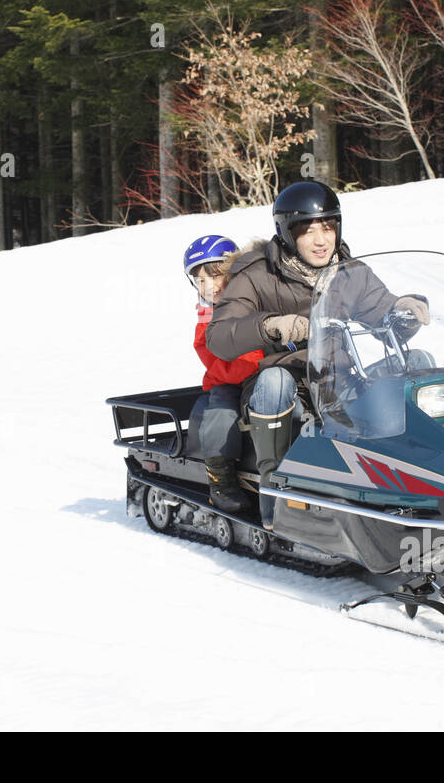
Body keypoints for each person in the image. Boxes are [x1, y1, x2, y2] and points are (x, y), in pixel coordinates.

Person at [205, 181, 429, 529]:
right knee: (275, 379)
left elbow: (382, 313)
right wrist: (269, 326)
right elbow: (218, 336)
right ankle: (275, 490)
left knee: (418, 363)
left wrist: (404, 310)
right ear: (287, 232)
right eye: (308, 231)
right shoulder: (256, 274)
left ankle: (423, 474)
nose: (321, 239)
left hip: (339, 380)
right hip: (282, 388)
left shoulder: (348, 271)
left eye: (328, 227)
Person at [183, 235, 264, 514]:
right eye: (200, 281)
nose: (210, 287)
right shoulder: (207, 318)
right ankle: (221, 478)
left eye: (216, 276)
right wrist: (254, 362)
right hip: (228, 381)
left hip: (262, 374)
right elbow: (214, 359)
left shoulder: (252, 299)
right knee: (222, 413)